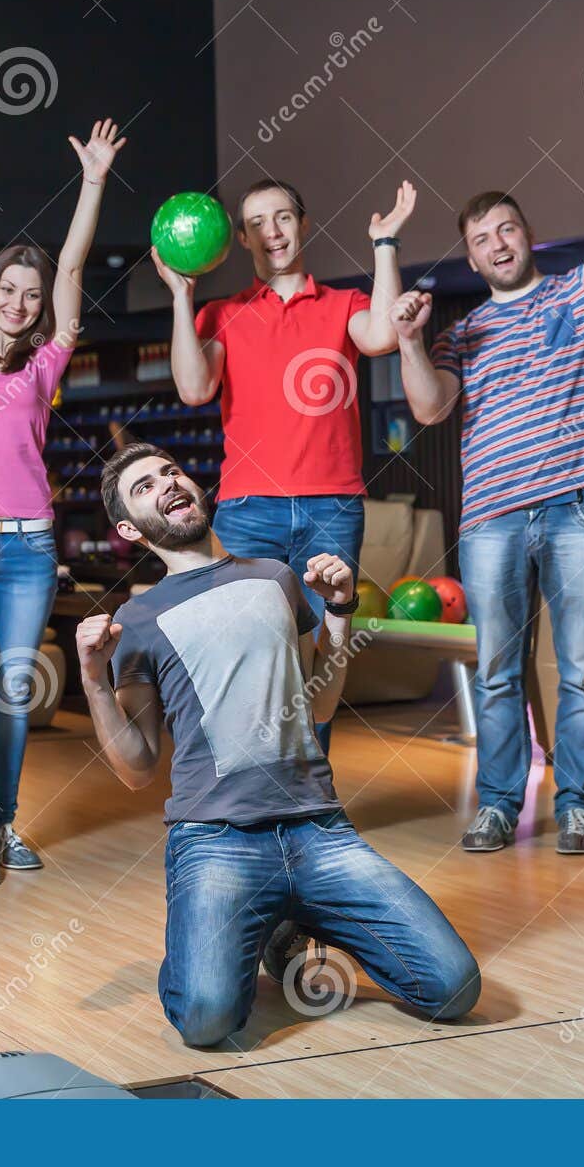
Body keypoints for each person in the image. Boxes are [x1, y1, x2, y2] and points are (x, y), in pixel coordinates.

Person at [76, 442, 480, 1047]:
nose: (167, 483)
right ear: (131, 529)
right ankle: (247, 928)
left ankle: (295, 913)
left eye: (171, 471)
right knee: (206, 1021)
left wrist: (340, 611)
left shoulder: (275, 576)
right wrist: (92, 679)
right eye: (144, 487)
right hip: (216, 840)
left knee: (453, 987)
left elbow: (319, 703)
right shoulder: (136, 621)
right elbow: (138, 770)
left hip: (318, 830)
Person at [393, 89, 584, 856]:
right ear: (470, 255)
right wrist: (407, 344)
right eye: (481, 237)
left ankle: (579, 805)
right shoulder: (462, 334)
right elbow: (429, 408)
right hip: (492, 517)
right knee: (496, 667)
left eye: (506, 228)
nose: (496, 243)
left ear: (529, 235)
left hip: (577, 509)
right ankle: (498, 803)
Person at [0, 92, 125, 887]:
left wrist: (94, 183)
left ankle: (4, 825)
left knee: (11, 692)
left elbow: (71, 264)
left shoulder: (47, 363)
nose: (17, 300)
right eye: (8, 289)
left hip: (29, 548)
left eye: (30, 295)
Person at [149, 177, 415, 751]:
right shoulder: (221, 313)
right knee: (244, 651)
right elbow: (194, 389)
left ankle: (311, 788)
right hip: (247, 509)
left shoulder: (345, 304)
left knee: (324, 651)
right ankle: (254, 785)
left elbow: (384, 336)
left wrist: (385, 245)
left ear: (304, 223)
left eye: (283, 218)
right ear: (241, 238)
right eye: (257, 223)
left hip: (332, 507)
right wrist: (179, 295)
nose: (273, 232)